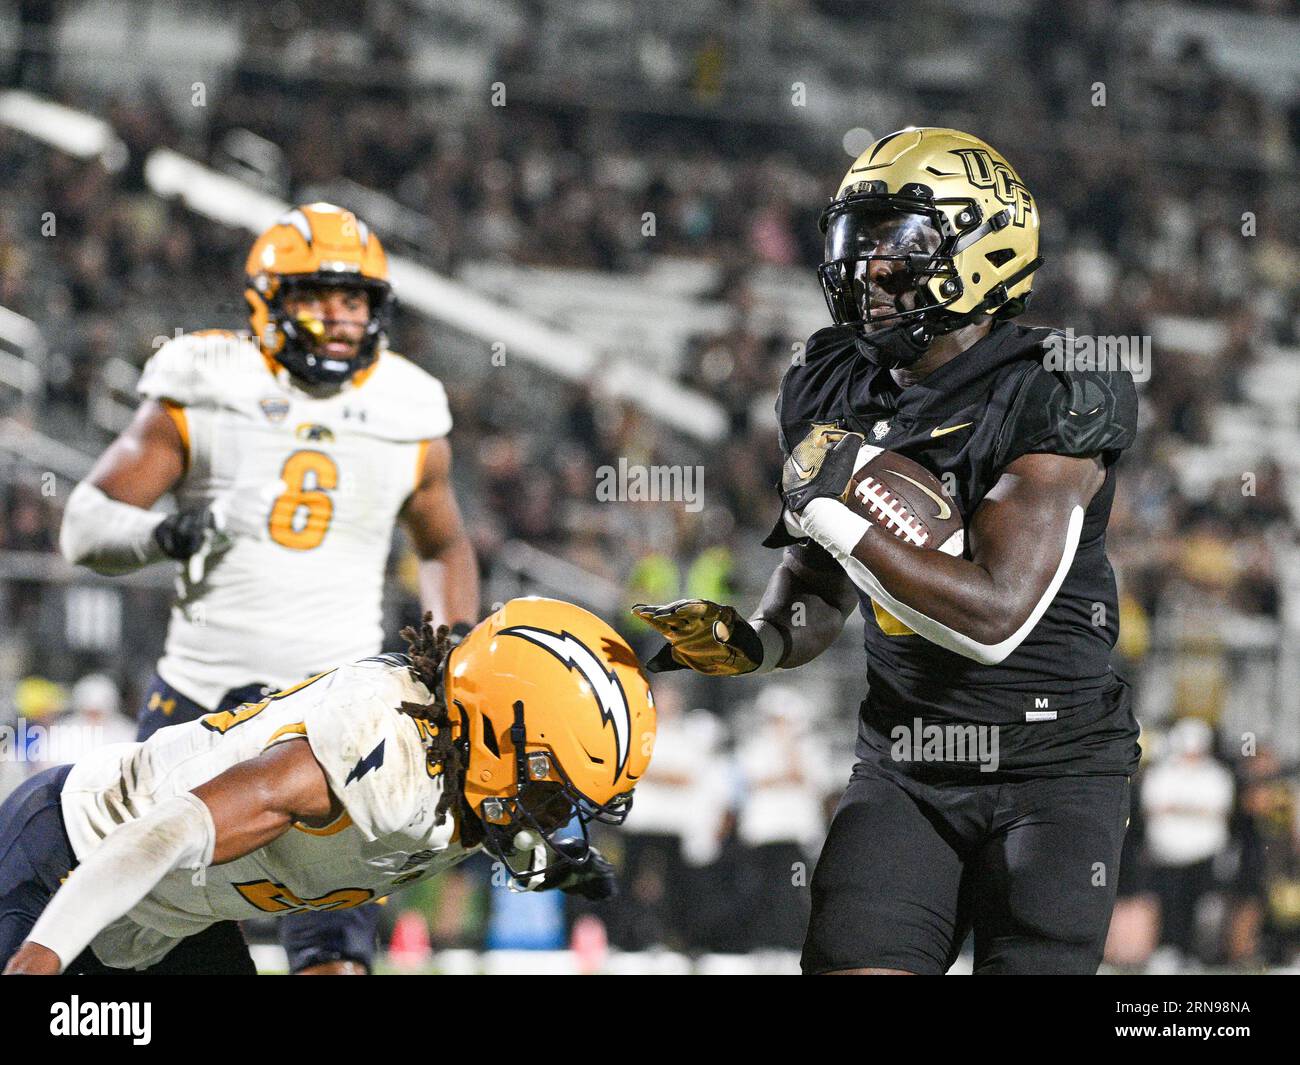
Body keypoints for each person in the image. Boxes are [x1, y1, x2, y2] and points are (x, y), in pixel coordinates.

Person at [635, 128, 1140, 975]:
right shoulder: (832, 377)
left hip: (1052, 767)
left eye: (896, 242)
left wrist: (838, 505)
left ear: (984, 247)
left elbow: (993, 617)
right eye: (856, 240)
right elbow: (819, 577)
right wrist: (759, 639)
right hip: (908, 758)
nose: (867, 268)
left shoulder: (1055, 382)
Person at [57, 203, 479, 974]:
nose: (341, 316)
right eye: (319, 296)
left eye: (355, 299)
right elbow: (84, 524)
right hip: (199, 697)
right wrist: (162, 535)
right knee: (135, 930)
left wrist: (455, 660)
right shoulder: (210, 380)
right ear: (268, 301)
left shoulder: (407, 408)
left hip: (341, 713)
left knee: (333, 954)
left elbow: (445, 544)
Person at [1, 598, 655, 975]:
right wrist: (41, 956)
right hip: (72, 860)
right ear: (492, 734)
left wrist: (551, 860)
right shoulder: (376, 750)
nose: (553, 817)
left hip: (168, 922)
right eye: (549, 791)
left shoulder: (468, 766)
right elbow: (167, 832)